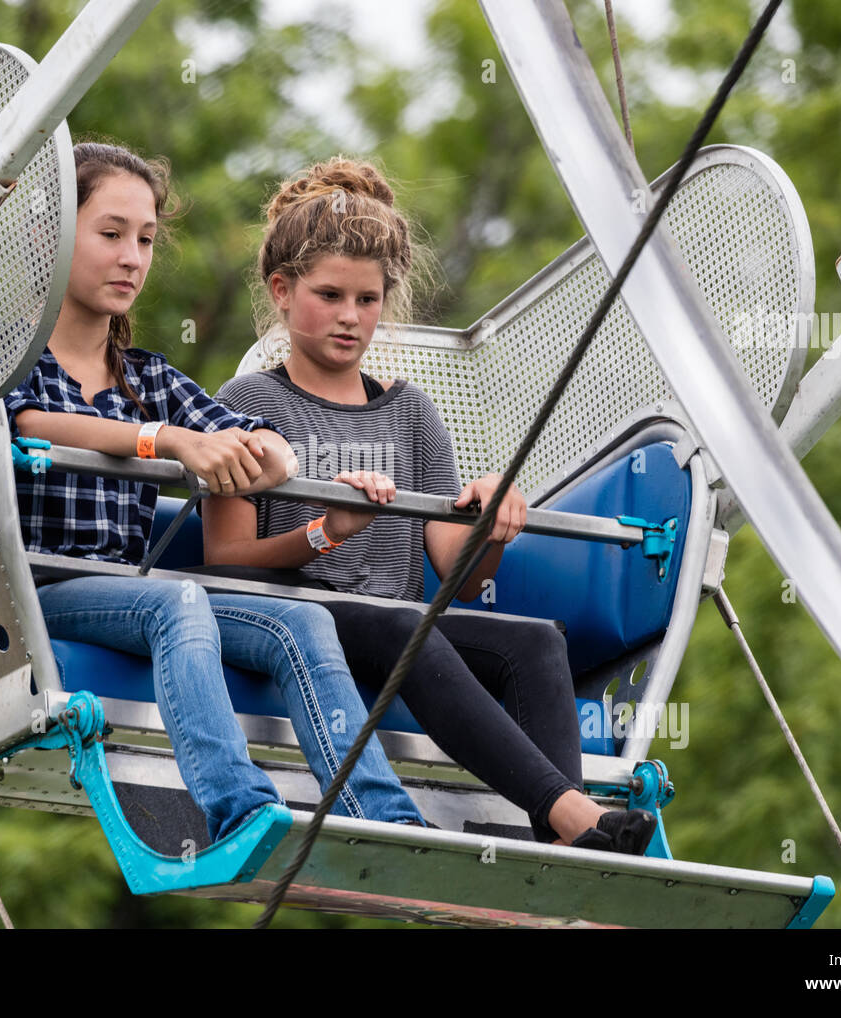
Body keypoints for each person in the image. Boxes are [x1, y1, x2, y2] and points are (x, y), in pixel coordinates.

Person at [203, 156, 655, 853]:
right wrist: (325, 533)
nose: (351, 318)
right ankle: (572, 815)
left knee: (538, 640)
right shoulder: (245, 404)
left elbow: (459, 578)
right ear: (282, 292)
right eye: (330, 296)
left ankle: (563, 837)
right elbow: (225, 563)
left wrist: (491, 525)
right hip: (300, 623)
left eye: (368, 299)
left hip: (398, 628)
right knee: (397, 628)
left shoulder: (412, 412)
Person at [4, 142, 424, 844]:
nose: (132, 257)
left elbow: (260, 437)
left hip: (126, 588)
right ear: (52, 236)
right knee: (182, 599)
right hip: (44, 587)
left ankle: (381, 816)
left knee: (305, 622)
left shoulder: (149, 379)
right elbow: (24, 422)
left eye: (143, 239)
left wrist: (261, 453)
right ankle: (240, 809)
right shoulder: (17, 362)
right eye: (110, 235)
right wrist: (165, 442)